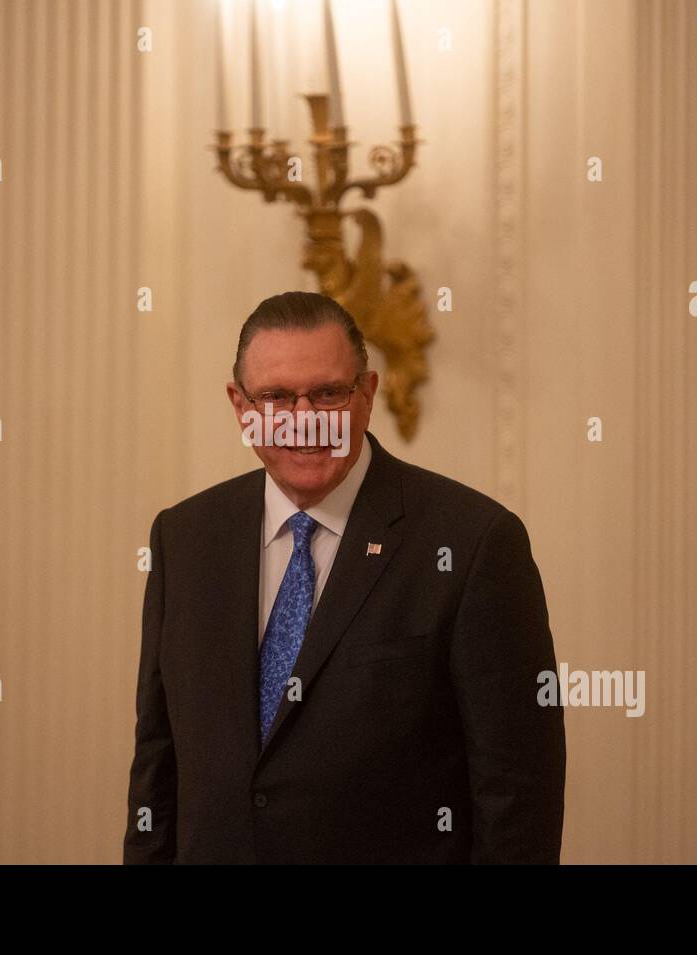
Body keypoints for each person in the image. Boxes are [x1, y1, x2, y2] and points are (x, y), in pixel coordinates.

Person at [123, 290, 565, 863]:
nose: (304, 422)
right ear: (241, 408)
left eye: (327, 393)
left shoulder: (474, 543)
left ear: (368, 394)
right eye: (277, 398)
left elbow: (518, 796)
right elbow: (156, 765)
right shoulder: (183, 538)